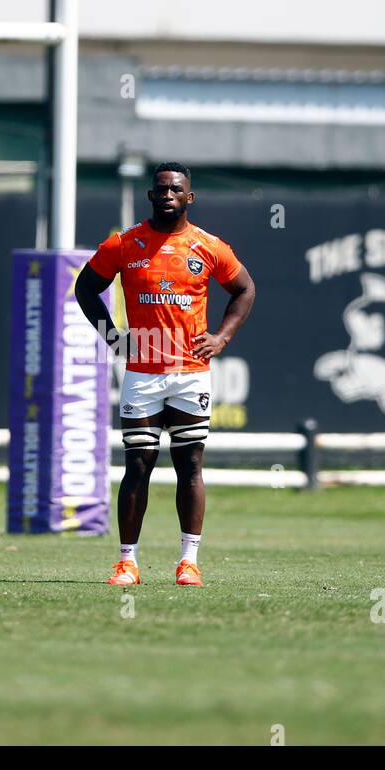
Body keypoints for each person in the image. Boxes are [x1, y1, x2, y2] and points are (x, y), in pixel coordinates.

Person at [74, 162, 256, 586]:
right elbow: (86, 288)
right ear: (151, 196)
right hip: (142, 372)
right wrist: (112, 338)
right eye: (161, 189)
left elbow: (245, 289)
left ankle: (188, 561)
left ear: (189, 197)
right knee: (138, 464)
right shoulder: (124, 242)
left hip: (191, 372)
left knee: (189, 464)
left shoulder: (208, 246)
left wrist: (222, 338)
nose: (169, 194)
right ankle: (126, 562)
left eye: (177, 189)